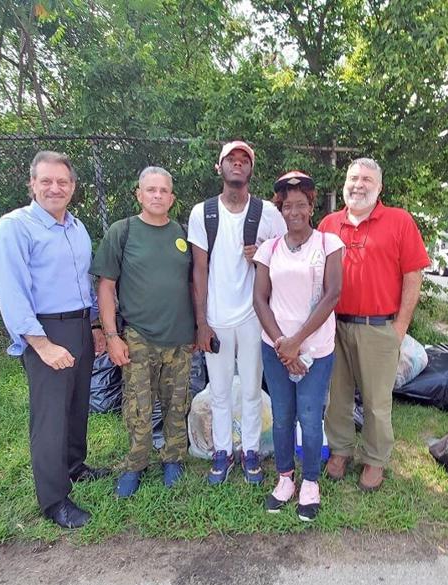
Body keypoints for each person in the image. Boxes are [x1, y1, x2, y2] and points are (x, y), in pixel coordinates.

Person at [0, 150, 108, 529]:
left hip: (78, 326)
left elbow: (84, 283)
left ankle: (74, 466)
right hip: (45, 331)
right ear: (32, 184)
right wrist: (41, 344)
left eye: (63, 181)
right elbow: (12, 293)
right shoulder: (13, 228)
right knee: (51, 416)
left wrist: (94, 326)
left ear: (73, 187)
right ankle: (54, 500)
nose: (55, 188)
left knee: (76, 407)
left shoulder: (76, 226)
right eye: (46, 181)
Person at [317, 158, 430, 491]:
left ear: (379, 187)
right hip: (334, 327)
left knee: (376, 401)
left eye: (367, 179)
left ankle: (375, 459)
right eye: (353, 178)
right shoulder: (328, 224)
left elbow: (413, 276)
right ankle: (339, 451)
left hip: (379, 327)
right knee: (336, 396)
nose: (358, 184)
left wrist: (399, 329)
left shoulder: (399, 221)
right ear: (344, 185)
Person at [91, 167, 194, 498]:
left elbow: (194, 283)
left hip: (179, 339)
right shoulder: (123, 232)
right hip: (137, 337)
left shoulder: (182, 234)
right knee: (138, 406)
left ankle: (173, 458)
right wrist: (111, 335)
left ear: (172, 198)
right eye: (151, 190)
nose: (157, 196)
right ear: (138, 194)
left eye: (164, 191)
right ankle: (136, 464)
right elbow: (106, 287)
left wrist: (197, 326)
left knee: (177, 404)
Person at [188, 141, 287, 485]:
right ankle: (221, 452)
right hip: (215, 318)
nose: (238, 164)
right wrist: (201, 322)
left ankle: (250, 451)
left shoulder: (268, 214)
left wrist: (262, 255)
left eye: (245, 160)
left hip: (252, 318)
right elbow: (198, 270)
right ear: (220, 167)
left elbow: (287, 259)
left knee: (250, 390)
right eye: (231, 159)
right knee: (218, 391)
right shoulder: (202, 213)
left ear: (250, 170)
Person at [253, 171, 344, 521]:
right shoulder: (269, 248)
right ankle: (285, 479)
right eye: (287, 205)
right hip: (275, 347)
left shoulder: (328, 244)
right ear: (280, 209)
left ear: (311, 206)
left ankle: (310, 482)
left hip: (315, 350)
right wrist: (282, 343)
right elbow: (260, 299)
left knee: (309, 417)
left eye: (301, 205)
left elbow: (333, 294)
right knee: (282, 417)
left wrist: (297, 343)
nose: (294, 211)